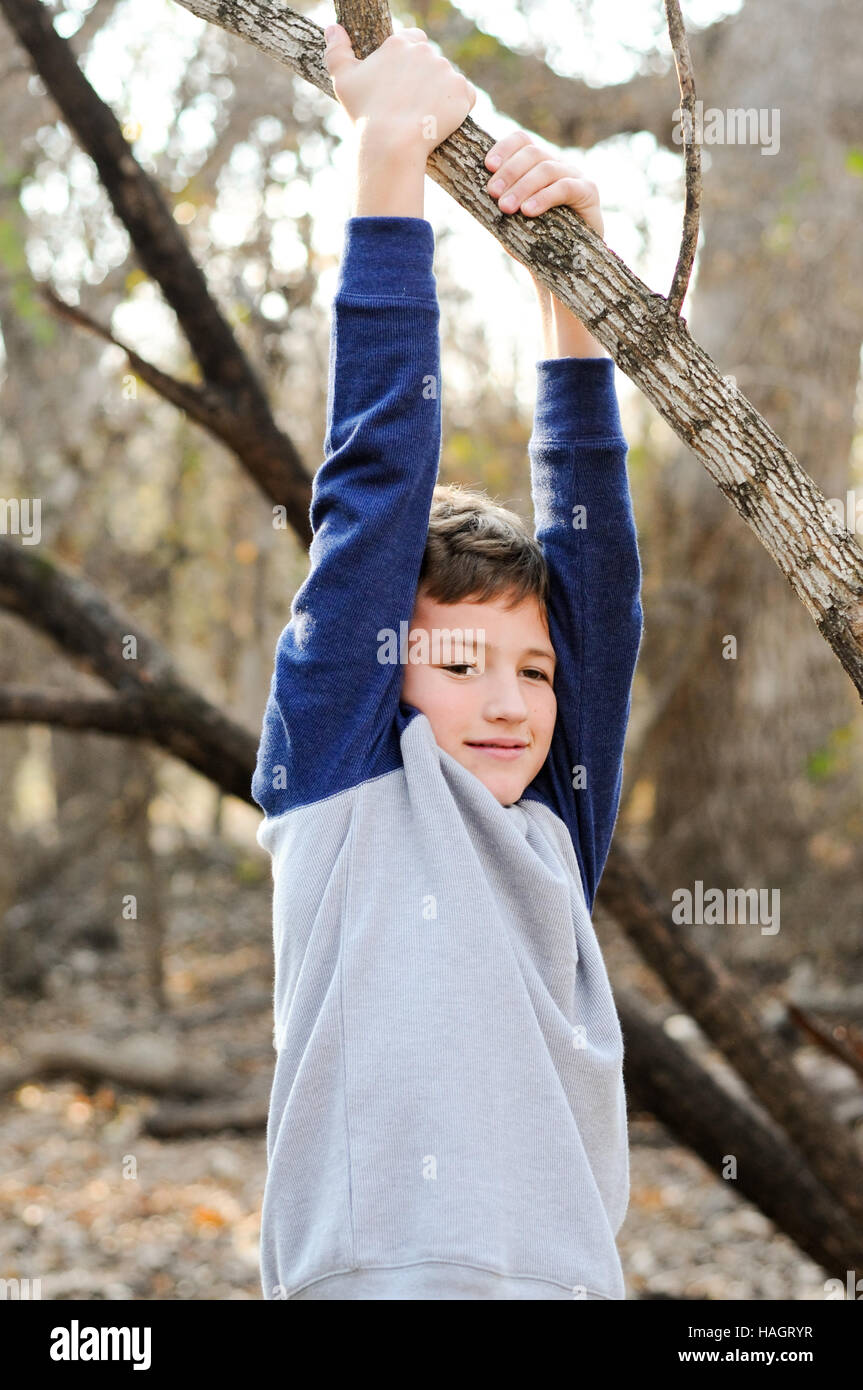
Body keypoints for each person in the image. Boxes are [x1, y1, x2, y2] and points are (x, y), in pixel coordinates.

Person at [251, 22, 644, 1300]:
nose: (509, 702)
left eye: (529, 674)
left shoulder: (549, 835)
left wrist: (567, 295)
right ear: (379, 671)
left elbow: (601, 600)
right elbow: (372, 486)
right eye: (461, 663)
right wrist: (385, 164)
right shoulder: (345, 788)